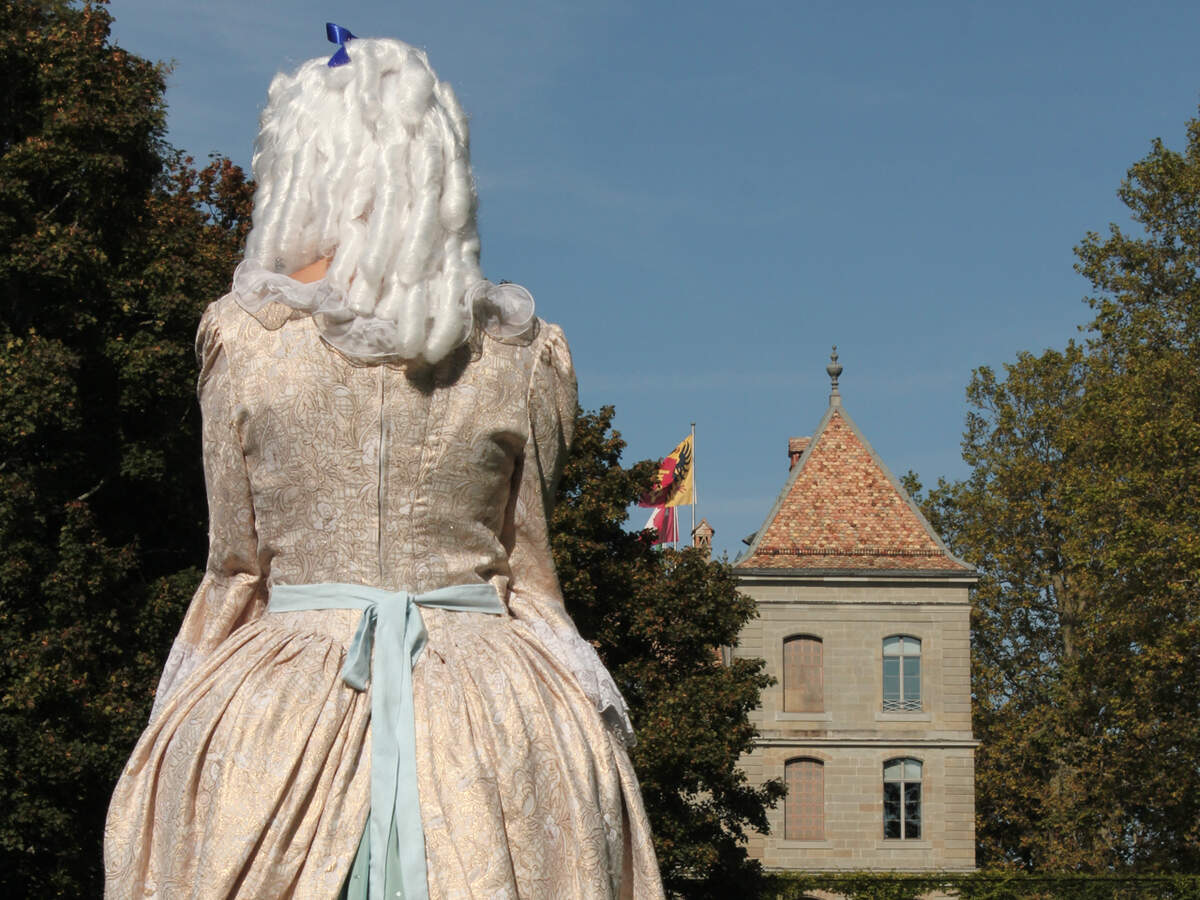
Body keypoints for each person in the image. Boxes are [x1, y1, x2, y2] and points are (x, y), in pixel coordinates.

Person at [104, 30, 664, 900]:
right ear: (441, 168)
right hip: (495, 720)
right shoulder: (522, 353)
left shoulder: (242, 341)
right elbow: (533, 572)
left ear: (299, 167)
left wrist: (179, 721)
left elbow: (235, 566)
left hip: (278, 705)